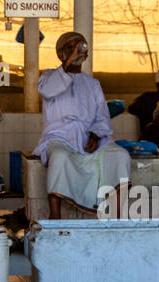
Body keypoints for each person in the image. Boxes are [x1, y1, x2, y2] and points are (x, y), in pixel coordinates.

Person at [33, 32, 132, 217]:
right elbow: (47, 91)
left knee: (120, 155)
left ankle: (118, 215)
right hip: (60, 137)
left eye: (79, 47)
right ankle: (55, 215)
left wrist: (95, 135)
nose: (76, 51)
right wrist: (68, 64)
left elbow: (102, 116)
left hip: (89, 137)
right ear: (60, 54)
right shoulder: (49, 77)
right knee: (60, 157)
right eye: (69, 48)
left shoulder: (92, 84)